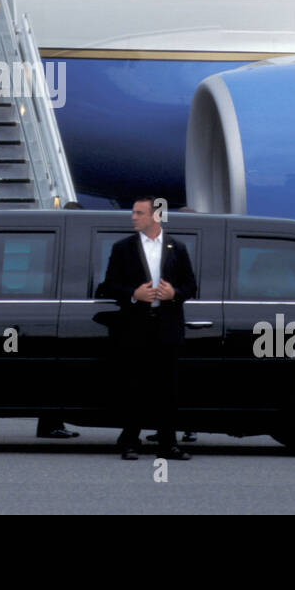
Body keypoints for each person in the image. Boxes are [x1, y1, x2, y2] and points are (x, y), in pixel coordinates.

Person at [97, 196, 196, 461]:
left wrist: (174, 293)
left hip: (167, 326)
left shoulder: (178, 247)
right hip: (135, 327)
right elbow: (108, 286)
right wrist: (133, 294)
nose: (133, 217)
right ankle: (129, 441)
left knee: (168, 388)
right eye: (133, 212)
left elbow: (191, 286)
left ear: (155, 216)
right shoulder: (123, 248)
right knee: (134, 386)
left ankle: (168, 444)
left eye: (139, 213)